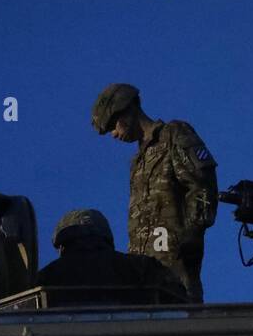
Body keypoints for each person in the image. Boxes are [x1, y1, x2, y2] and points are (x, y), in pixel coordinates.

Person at [91, 83, 218, 302]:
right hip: (141, 272)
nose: (114, 134)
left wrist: (193, 234)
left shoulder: (172, 134)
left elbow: (202, 182)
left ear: (128, 111)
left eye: (113, 125)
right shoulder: (137, 162)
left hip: (174, 267)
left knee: (180, 323)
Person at [37, 208, 187, 300]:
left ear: (62, 243)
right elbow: (178, 302)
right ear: (106, 235)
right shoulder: (142, 267)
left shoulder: (45, 278)